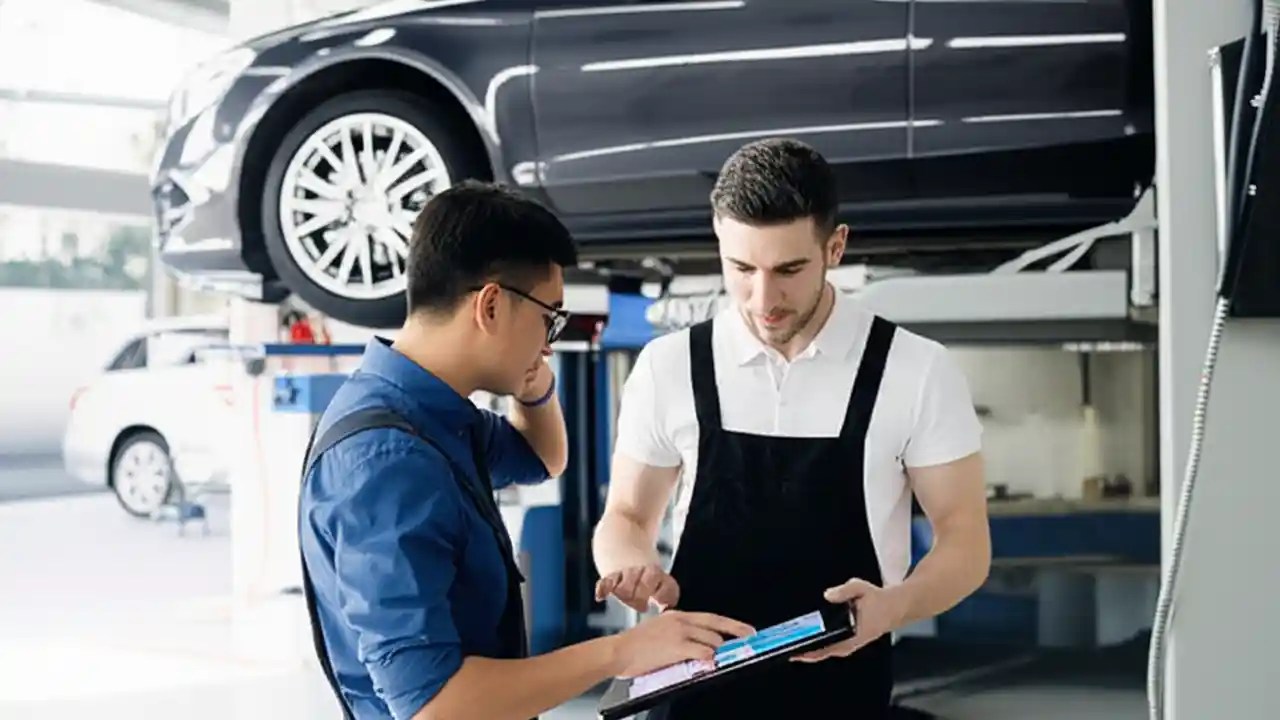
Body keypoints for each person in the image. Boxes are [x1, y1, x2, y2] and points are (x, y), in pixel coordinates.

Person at [297, 181, 754, 720]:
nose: (549, 341)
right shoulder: (387, 462)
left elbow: (542, 459)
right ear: (490, 305)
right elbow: (432, 708)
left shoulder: (428, 412)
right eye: (549, 318)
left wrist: (531, 380)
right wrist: (621, 651)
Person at [592, 139, 992, 717]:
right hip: (690, 695)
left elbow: (965, 540)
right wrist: (628, 567)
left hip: (843, 696)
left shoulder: (915, 370)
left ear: (836, 246)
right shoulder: (668, 367)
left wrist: (895, 606)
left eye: (788, 269)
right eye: (741, 269)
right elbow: (625, 518)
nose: (763, 299)